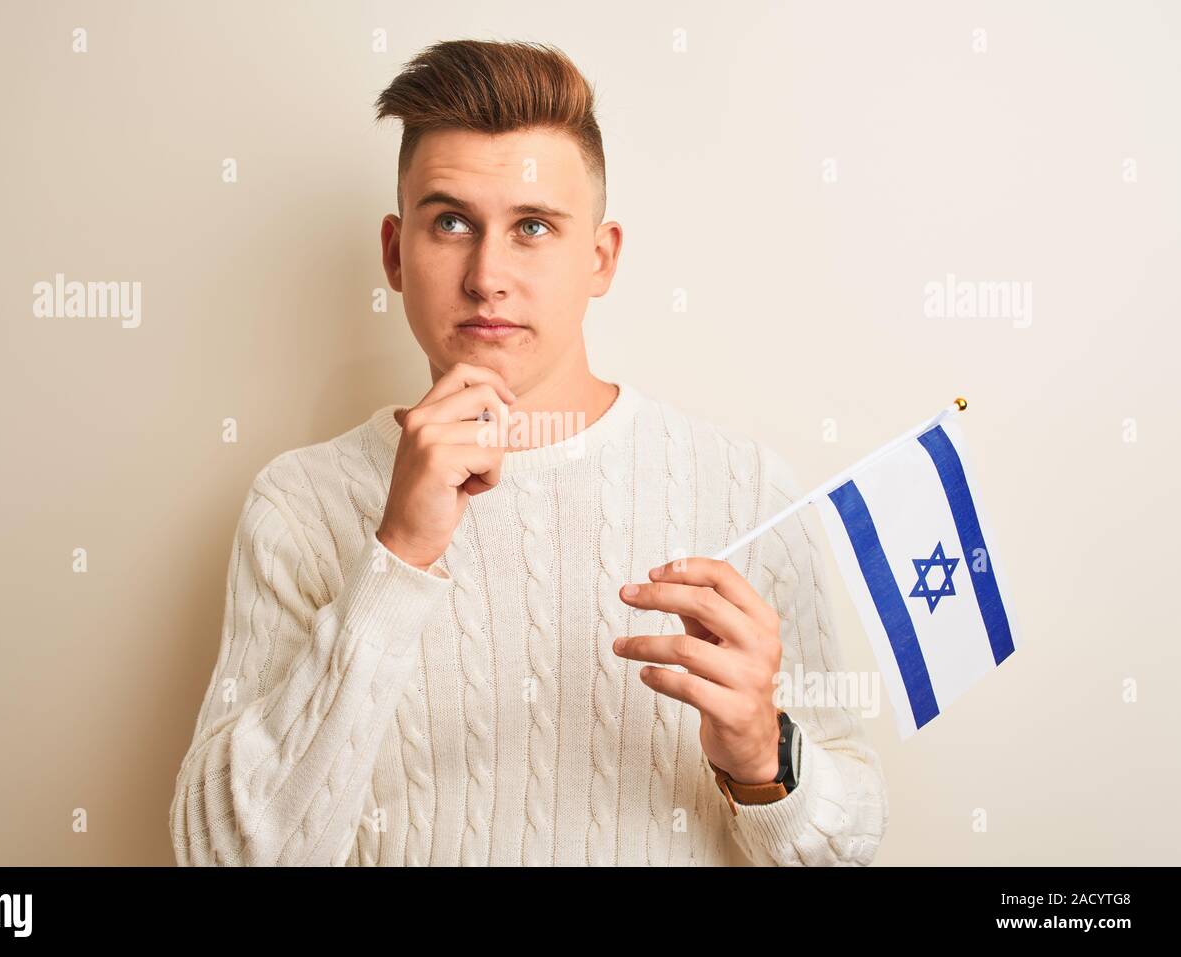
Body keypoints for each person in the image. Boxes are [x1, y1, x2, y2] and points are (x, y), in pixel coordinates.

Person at [169, 38, 888, 866]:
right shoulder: (298, 503)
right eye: (450, 223)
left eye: (534, 227)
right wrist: (396, 556)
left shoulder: (745, 488)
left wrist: (764, 761)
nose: (487, 275)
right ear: (394, 254)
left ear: (600, 257)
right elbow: (223, 856)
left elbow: (851, 850)